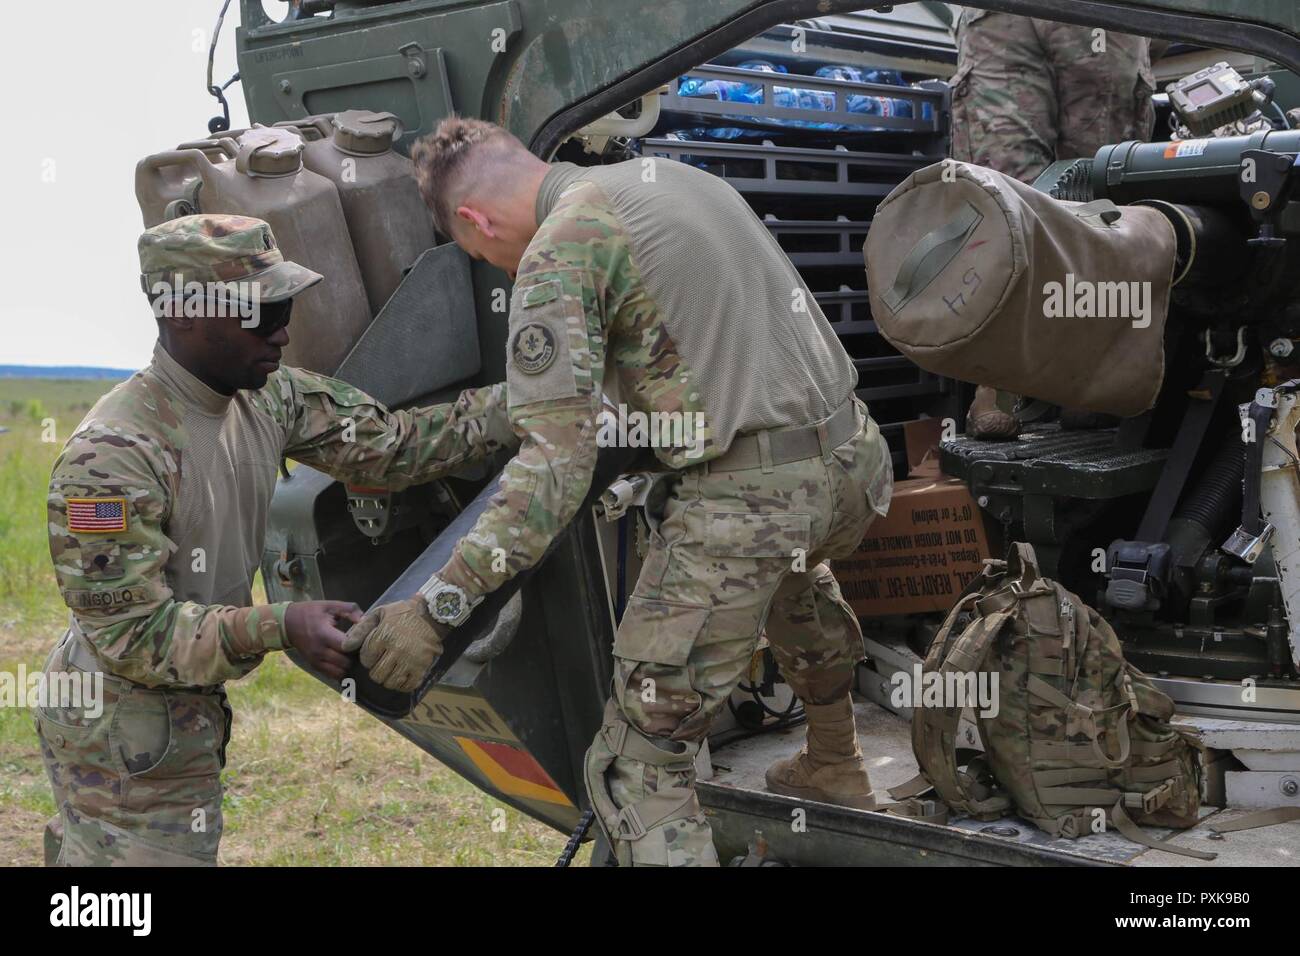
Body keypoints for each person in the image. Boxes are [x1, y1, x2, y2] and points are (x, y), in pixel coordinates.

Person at [347, 117, 894, 866]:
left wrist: (441, 606)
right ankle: (837, 761)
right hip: (853, 466)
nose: (504, 271)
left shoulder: (561, 245)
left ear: (473, 219)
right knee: (791, 582)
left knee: (637, 762)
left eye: (485, 256)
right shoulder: (669, 180)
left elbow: (554, 467)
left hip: (754, 500)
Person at [38, 213, 516, 865]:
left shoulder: (267, 398)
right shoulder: (113, 458)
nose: (283, 331)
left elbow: (391, 448)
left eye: (284, 308)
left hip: (178, 717)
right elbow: (133, 638)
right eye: (260, 315)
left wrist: (532, 403)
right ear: (182, 314)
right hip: (121, 734)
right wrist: (281, 624)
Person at [950, 9, 1156, 438]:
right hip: (1003, 15)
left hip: (1104, 19)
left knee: (1100, 187)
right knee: (1002, 185)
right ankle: (1003, 376)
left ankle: (1089, 373)